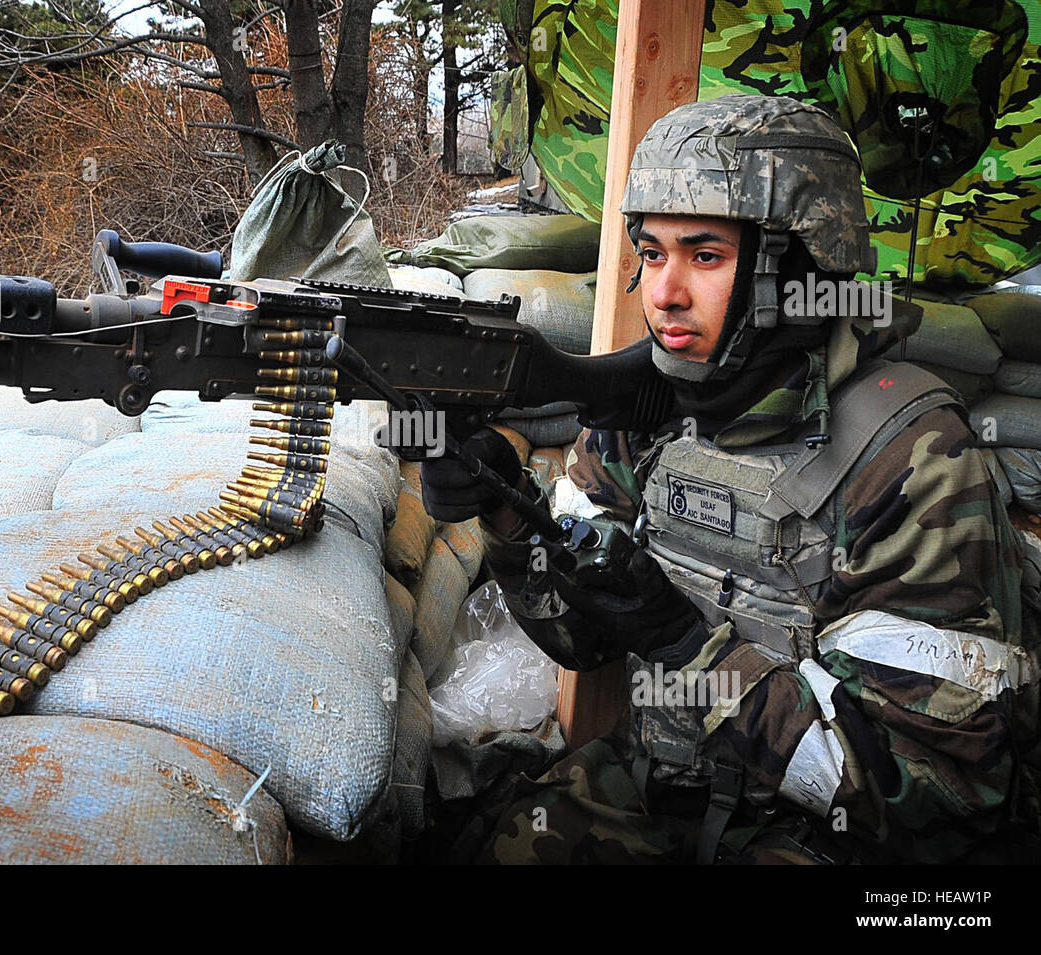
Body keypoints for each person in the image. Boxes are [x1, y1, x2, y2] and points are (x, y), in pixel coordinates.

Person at [422, 94, 1041, 864]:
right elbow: (575, 639)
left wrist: (688, 649)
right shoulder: (644, 410)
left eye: (705, 255)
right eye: (652, 253)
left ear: (803, 266)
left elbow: (939, 801)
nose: (664, 292)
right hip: (663, 794)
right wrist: (510, 517)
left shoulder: (909, 454)